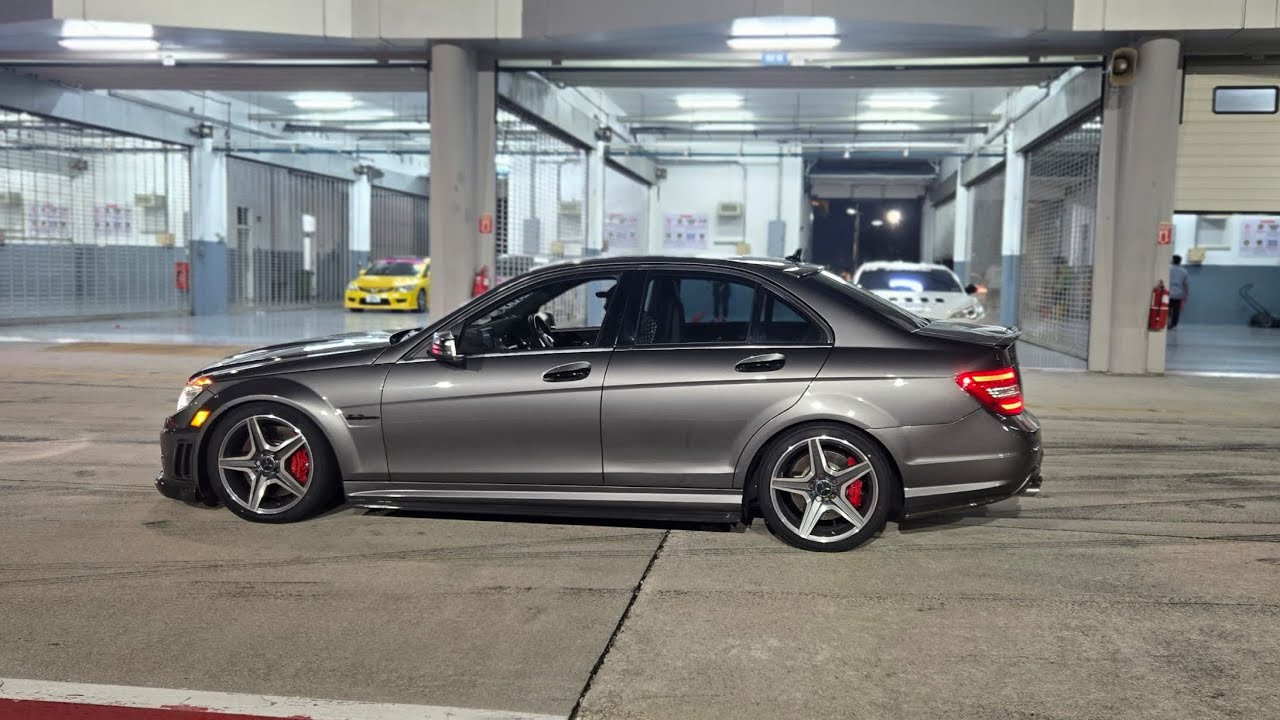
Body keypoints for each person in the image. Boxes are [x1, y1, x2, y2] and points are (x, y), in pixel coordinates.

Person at [1168, 254, 1190, 329]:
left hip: (1168, 293)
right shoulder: (1184, 271)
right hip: (1178, 294)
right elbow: (1186, 284)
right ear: (1180, 262)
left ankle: (1167, 323)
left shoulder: (1168, 269)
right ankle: (1174, 325)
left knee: (1167, 309)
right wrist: (1186, 295)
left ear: (1172, 260)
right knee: (1176, 311)